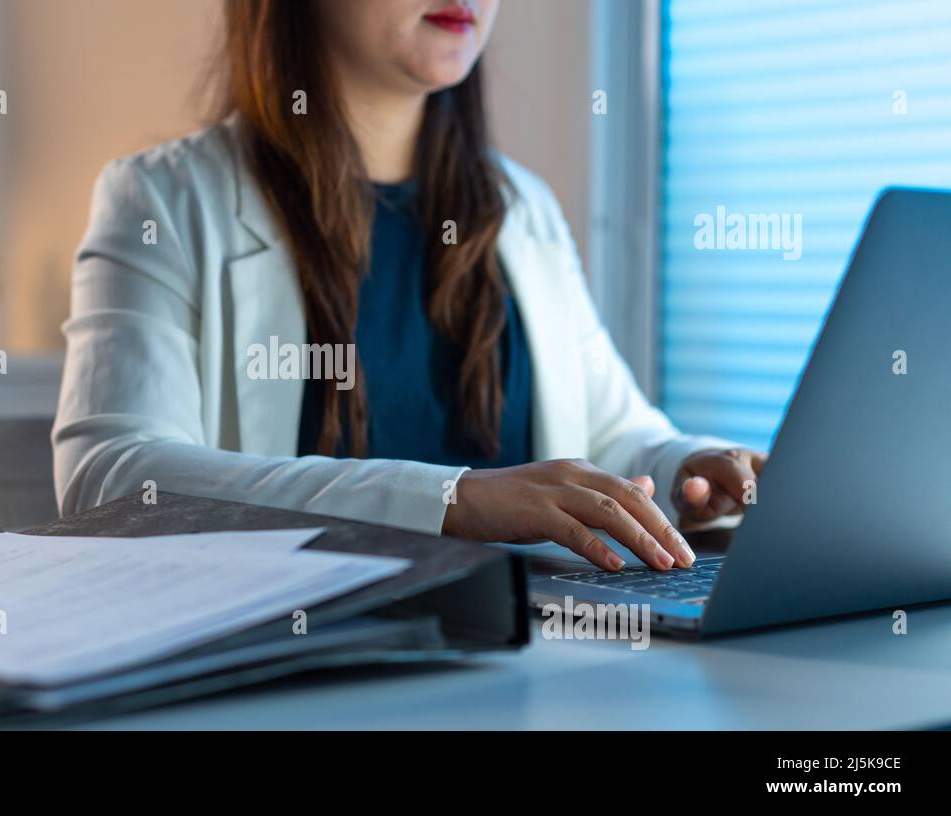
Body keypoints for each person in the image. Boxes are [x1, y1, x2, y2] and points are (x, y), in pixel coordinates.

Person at [53, 0, 765, 572]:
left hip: (535, 662)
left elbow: (614, 433)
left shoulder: (523, 209)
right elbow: (112, 476)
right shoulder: (161, 200)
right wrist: (449, 500)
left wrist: (685, 473)